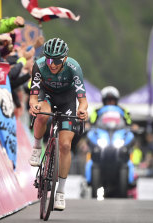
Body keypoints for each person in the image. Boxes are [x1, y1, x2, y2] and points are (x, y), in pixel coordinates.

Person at [29, 37, 88, 210]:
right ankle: (37, 147)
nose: (52, 64)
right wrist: (34, 105)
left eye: (56, 60)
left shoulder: (74, 68)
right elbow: (33, 95)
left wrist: (83, 110)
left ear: (65, 58)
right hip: (46, 96)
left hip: (67, 100)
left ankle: (60, 192)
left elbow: (82, 100)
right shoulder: (39, 65)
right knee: (42, 115)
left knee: (65, 146)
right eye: (49, 59)